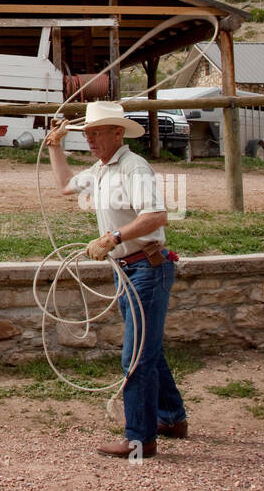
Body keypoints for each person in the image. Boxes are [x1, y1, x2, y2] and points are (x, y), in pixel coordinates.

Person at [43, 100, 187, 459]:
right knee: (147, 350)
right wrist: (56, 146)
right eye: (87, 134)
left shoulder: (133, 168)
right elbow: (65, 186)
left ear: (117, 133)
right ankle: (171, 418)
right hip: (132, 269)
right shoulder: (103, 169)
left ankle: (140, 438)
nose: (90, 140)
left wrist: (114, 238)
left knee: (136, 357)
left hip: (146, 268)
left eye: (96, 133)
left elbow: (156, 216)